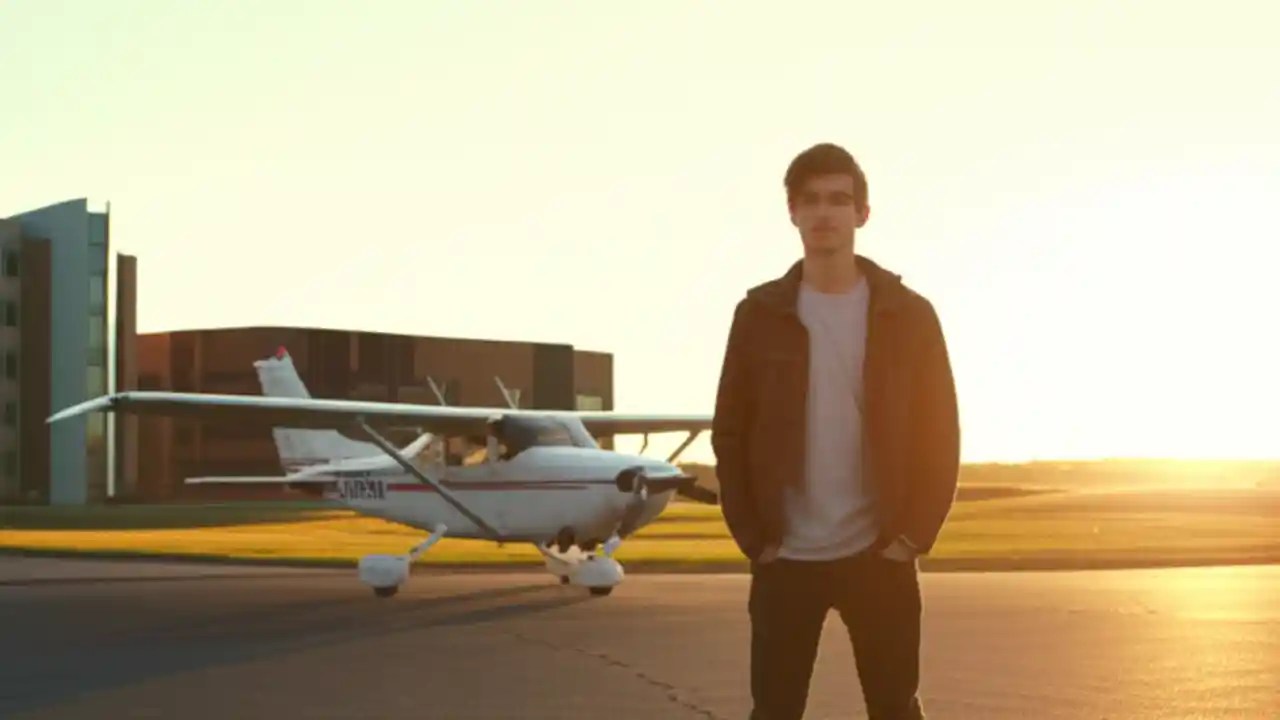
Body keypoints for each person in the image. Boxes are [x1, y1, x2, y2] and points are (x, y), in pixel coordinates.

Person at [711, 142, 960, 720]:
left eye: (839, 200)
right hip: (785, 556)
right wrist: (755, 537)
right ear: (793, 212)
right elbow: (730, 431)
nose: (825, 212)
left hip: (879, 554)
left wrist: (913, 536)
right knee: (774, 710)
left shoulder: (909, 314)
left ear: (861, 214)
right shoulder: (759, 315)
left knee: (895, 708)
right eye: (812, 200)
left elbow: (939, 431)